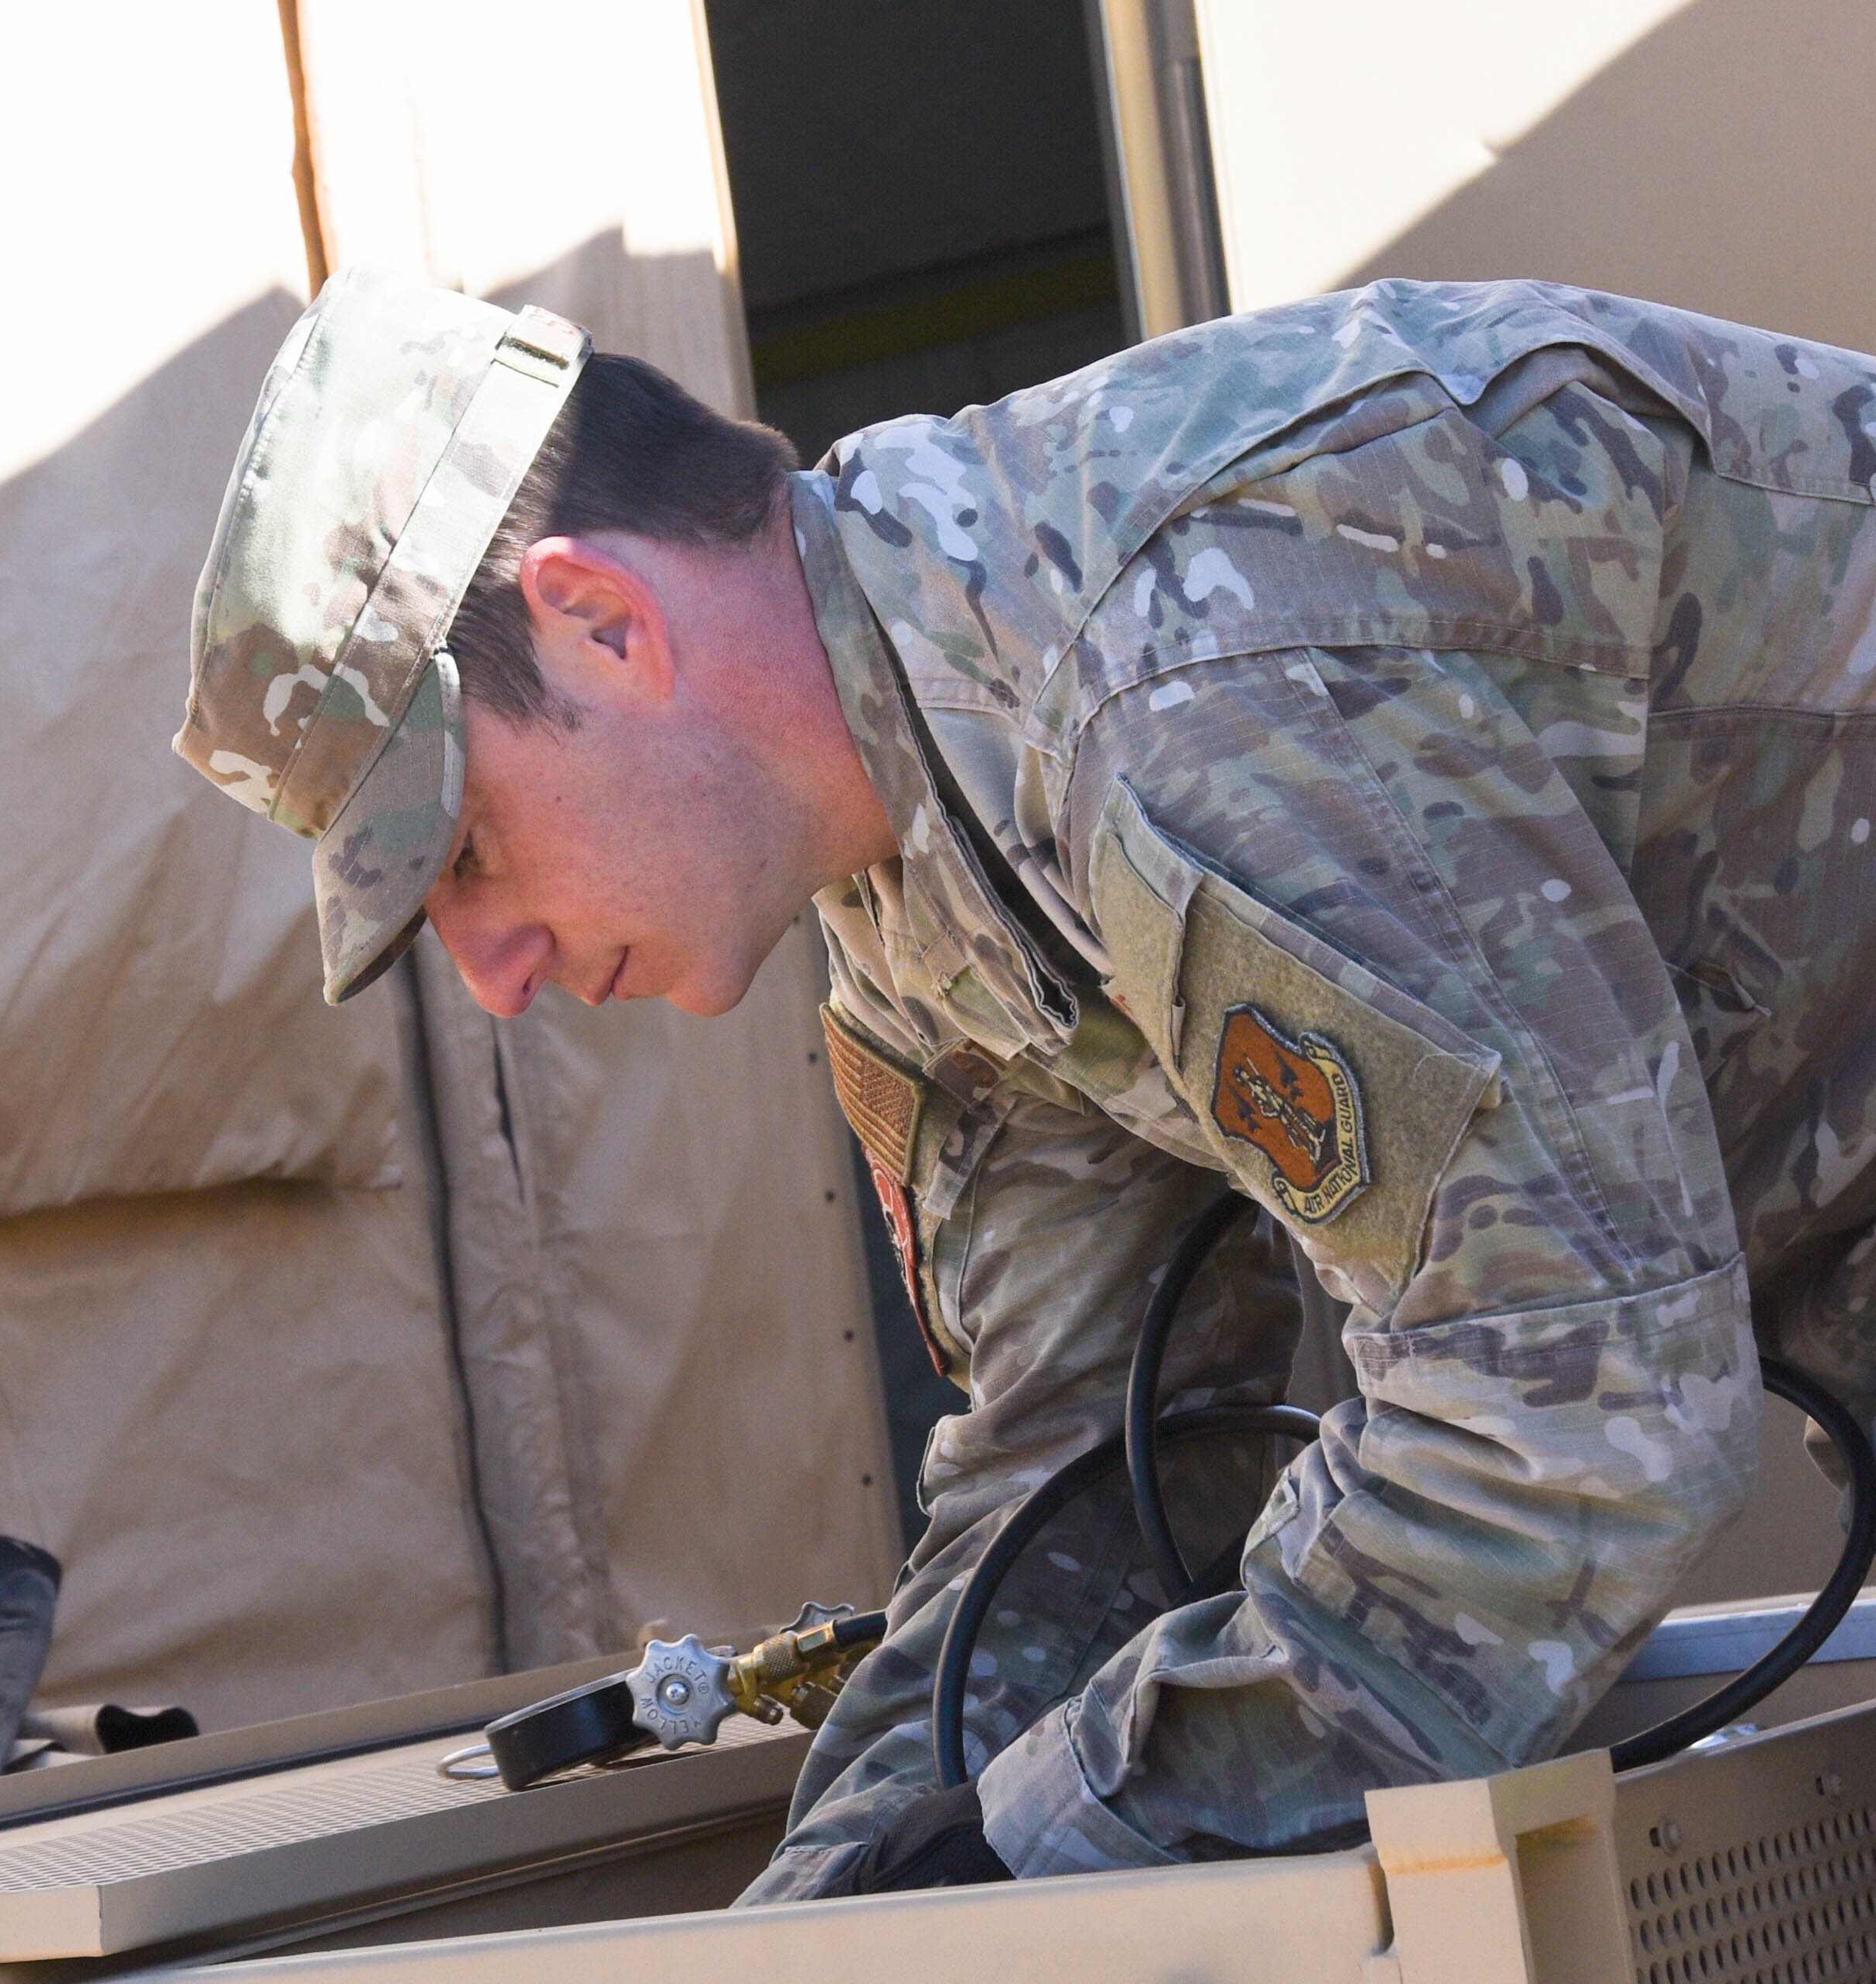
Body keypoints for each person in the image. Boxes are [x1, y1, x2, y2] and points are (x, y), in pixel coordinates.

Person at [175, 267, 1876, 1897]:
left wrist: (1053, 1843)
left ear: (603, 621)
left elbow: (1573, 1422)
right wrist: (823, 1939)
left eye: (468, 849)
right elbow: (1084, 1472)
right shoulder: (908, 880)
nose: (491, 970)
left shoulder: (1180, 691)